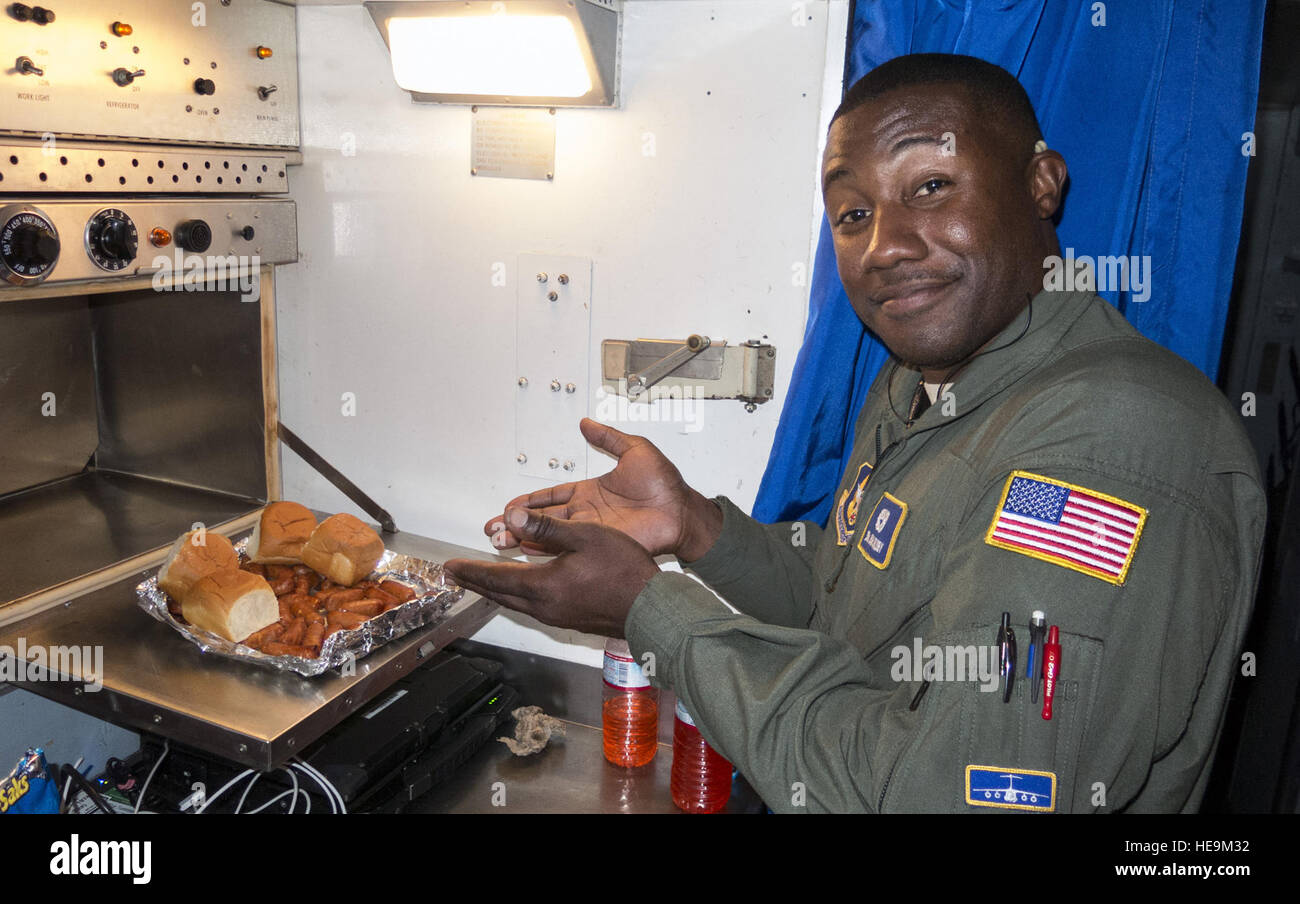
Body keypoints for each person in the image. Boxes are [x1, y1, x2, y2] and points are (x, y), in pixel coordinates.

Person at [444, 54, 1266, 813]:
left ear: (1041, 184)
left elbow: (948, 795)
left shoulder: (1110, 437)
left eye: (931, 186)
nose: (885, 247)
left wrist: (647, 609)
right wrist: (693, 526)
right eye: (853, 213)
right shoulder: (920, 380)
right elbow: (845, 608)